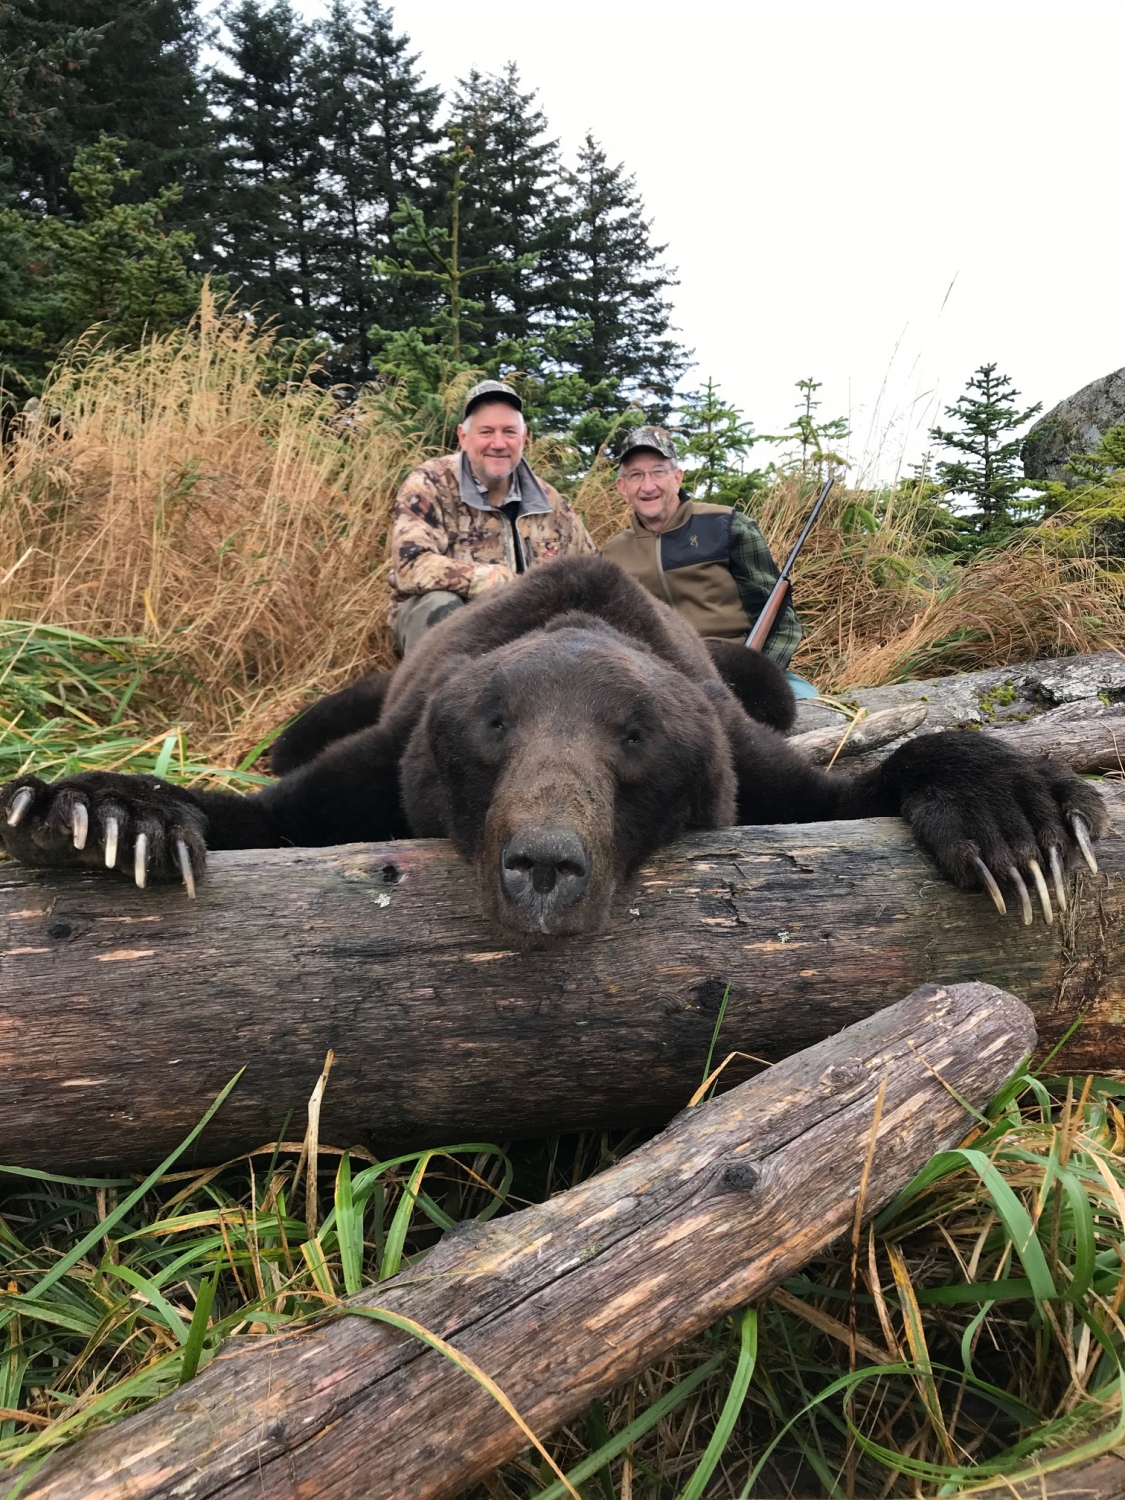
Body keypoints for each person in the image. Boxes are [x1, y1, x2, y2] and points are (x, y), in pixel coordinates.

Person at [601, 426, 817, 697]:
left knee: (816, 709)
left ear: (677, 477)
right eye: (636, 475)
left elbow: (781, 620)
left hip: (744, 668)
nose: (648, 486)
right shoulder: (611, 556)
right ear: (622, 487)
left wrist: (759, 676)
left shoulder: (729, 526)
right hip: (664, 689)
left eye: (658, 471)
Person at [388, 379, 595, 654]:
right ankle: (437, 684)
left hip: (524, 628)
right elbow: (410, 565)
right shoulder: (430, 484)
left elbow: (591, 568)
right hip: (454, 621)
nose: (498, 443)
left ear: (523, 437)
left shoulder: (548, 501)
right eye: (486, 432)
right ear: (463, 437)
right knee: (439, 603)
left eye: (509, 432)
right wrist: (495, 581)